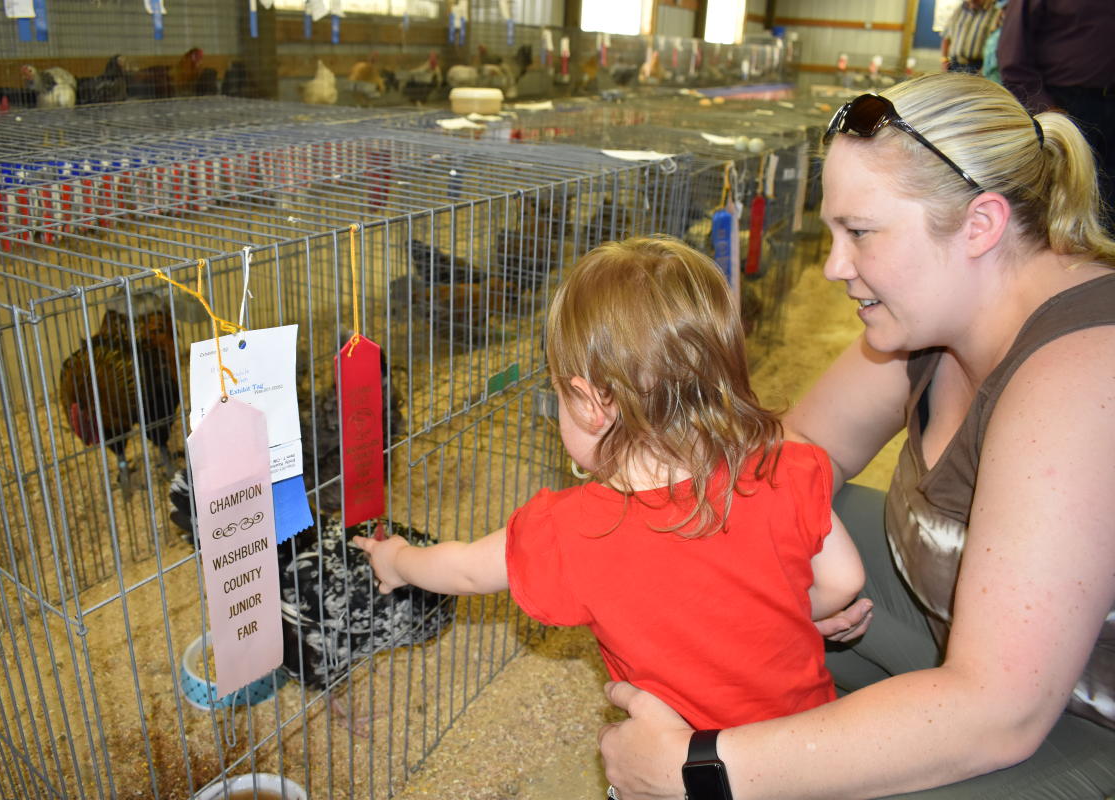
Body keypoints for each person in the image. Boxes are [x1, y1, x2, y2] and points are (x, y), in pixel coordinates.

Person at [599, 73, 1115, 799]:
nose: (834, 266)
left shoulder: (1080, 377)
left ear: (980, 225)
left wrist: (704, 767)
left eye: (861, 233)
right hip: (963, 628)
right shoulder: (933, 315)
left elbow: (1000, 712)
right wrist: (646, 483)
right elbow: (795, 455)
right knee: (738, 540)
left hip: (1074, 719)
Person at [354, 236, 865, 735]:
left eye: (557, 392)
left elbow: (465, 571)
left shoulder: (570, 531)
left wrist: (397, 560)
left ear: (589, 402)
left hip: (683, 765)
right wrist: (777, 624)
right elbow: (842, 581)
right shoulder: (787, 468)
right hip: (806, 751)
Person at [998, 0, 1115, 229]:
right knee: (1060, 210)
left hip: (1109, 109)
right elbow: (1013, 58)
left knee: (1106, 211)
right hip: (1063, 106)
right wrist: (1049, 112)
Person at [939, 0, 1003, 74]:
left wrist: (985, 69)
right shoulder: (960, 9)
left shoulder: (996, 11)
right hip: (954, 65)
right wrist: (944, 59)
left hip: (978, 66)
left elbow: (1000, 44)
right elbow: (946, 36)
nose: (971, 3)